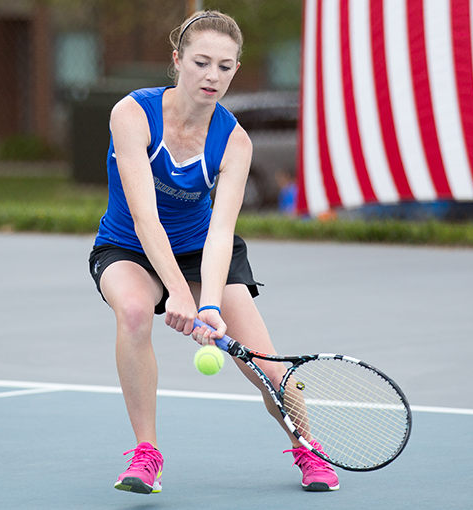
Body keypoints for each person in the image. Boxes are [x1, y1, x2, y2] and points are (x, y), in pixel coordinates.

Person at [88, 11, 340, 494]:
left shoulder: (235, 141)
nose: (212, 76)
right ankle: (147, 454)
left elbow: (222, 231)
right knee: (137, 313)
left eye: (225, 67)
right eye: (201, 62)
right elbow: (146, 219)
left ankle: (309, 449)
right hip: (129, 246)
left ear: (236, 71)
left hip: (203, 250)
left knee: (267, 366)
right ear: (177, 60)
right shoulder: (133, 114)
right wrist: (180, 294)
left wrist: (207, 305)